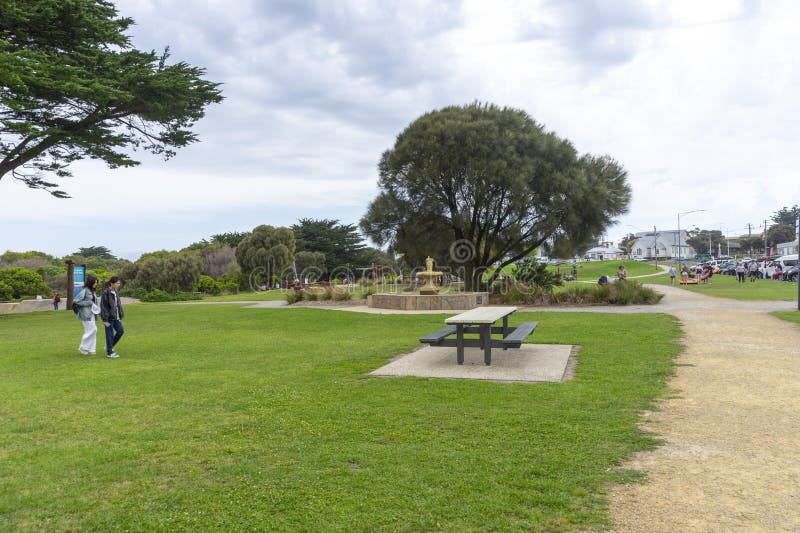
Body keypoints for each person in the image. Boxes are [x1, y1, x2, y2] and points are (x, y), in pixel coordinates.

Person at [100, 276, 125, 359]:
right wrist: (104, 320)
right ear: (111, 283)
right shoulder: (106, 293)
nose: (119, 284)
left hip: (116, 317)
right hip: (109, 318)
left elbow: (118, 305)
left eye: (119, 283)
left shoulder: (116, 291)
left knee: (120, 331)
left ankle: (109, 346)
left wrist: (120, 315)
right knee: (109, 335)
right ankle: (110, 353)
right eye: (117, 283)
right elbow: (103, 307)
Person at [74, 276, 99, 355]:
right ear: (91, 282)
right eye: (95, 282)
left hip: (92, 314)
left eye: (96, 282)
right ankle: (83, 347)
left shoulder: (93, 291)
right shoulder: (85, 290)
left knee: (93, 331)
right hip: (85, 314)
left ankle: (91, 349)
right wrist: (89, 303)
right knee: (93, 330)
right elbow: (76, 301)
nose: (96, 284)